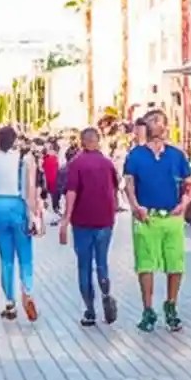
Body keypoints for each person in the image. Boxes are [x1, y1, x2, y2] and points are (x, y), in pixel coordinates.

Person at [123, 110, 191, 333]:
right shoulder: (135, 155)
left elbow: (189, 184)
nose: (156, 126)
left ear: (165, 126)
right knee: (146, 265)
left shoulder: (176, 155)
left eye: (159, 121)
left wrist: (184, 203)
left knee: (175, 264)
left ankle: (171, 305)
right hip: (147, 217)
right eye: (151, 122)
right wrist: (135, 206)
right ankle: (148, 309)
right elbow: (129, 184)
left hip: (171, 217)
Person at [58, 127, 119, 326]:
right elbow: (114, 190)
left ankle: (89, 311)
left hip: (82, 222)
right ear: (98, 141)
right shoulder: (108, 164)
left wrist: (66, 218)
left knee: (84, 265)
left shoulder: (76, 164)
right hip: (105, 221)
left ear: (82, 142)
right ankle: (106, 293)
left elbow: (71, 192)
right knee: (102, 262)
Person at [0, 125, 41, 321]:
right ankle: (28, 291)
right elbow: (30, 189)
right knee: (25, 255)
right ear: (15, 140)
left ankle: (9, 301)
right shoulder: (24, 160)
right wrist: (32, 213)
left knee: (6, 258)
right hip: (17, 206)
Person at [43, 143, 61, 216]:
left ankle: (55, 207)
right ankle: (55, 207)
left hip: (52, 178)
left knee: (53, 193)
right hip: (50, 178)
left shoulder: (50, 158)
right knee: (53, 193)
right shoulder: (46, 158)